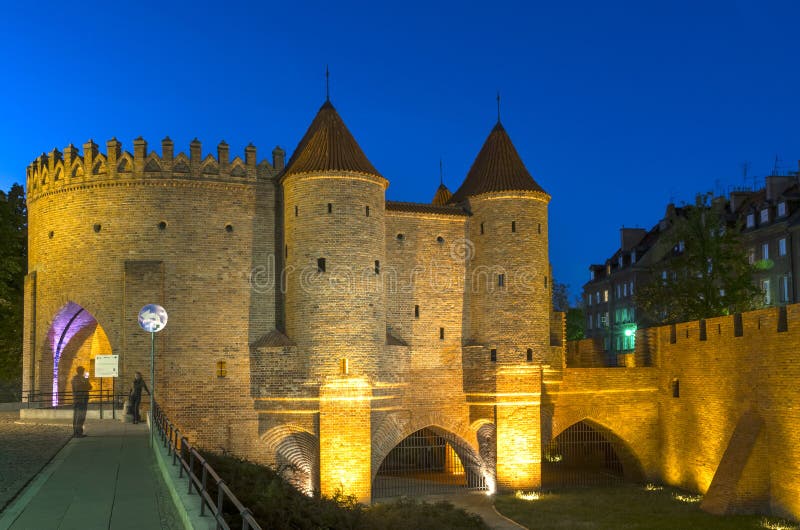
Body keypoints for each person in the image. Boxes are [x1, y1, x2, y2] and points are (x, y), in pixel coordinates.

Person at [71, 366, 91, 437]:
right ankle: (78, 433)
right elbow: (89, 387)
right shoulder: (81, 379)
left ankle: (76, 432)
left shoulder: (74, 379)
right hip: (81, 400)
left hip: (77, 399)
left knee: (76, 416)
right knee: (80, 416)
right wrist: (86, 380)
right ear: (82, 371)